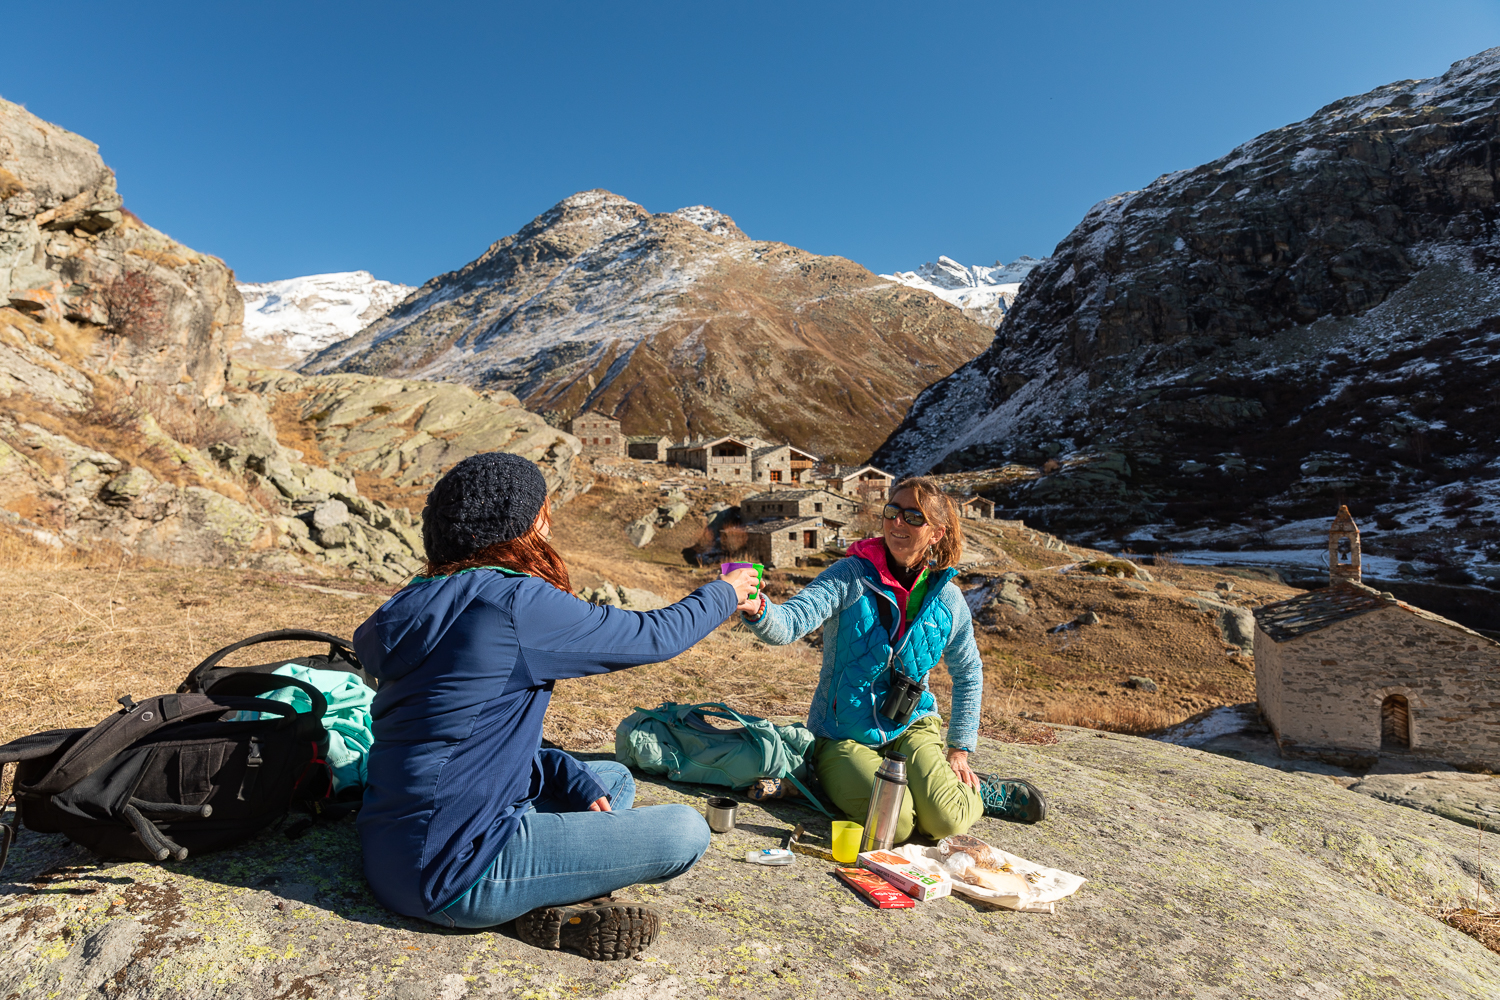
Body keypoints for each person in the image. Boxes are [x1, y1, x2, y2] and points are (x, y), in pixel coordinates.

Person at [351, 452, 758, 960]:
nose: (550, 524)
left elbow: (464, 732)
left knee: (611, 781)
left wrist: (563, 770)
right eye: (544, 512)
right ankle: (529, 902)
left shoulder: (424, 600)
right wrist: (724, 593)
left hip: (397, 842)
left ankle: (541, 891)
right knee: (686, 831)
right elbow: (651, 636)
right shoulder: (513, 603)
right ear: (519, 525)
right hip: (449, 870)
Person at [739, 476, 1045, 842]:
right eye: (892, 512)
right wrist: (759, 610)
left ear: (936, 533)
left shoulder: (948, 601)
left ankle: (979, 791)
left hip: (911, 726)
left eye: (914, 517)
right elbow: (790, 624)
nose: (898, 523)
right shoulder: (849, 576)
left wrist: (960, 749)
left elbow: (968, 672)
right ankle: (832, 777)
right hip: (843, 735)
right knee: (895, 825)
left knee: (944, 822)